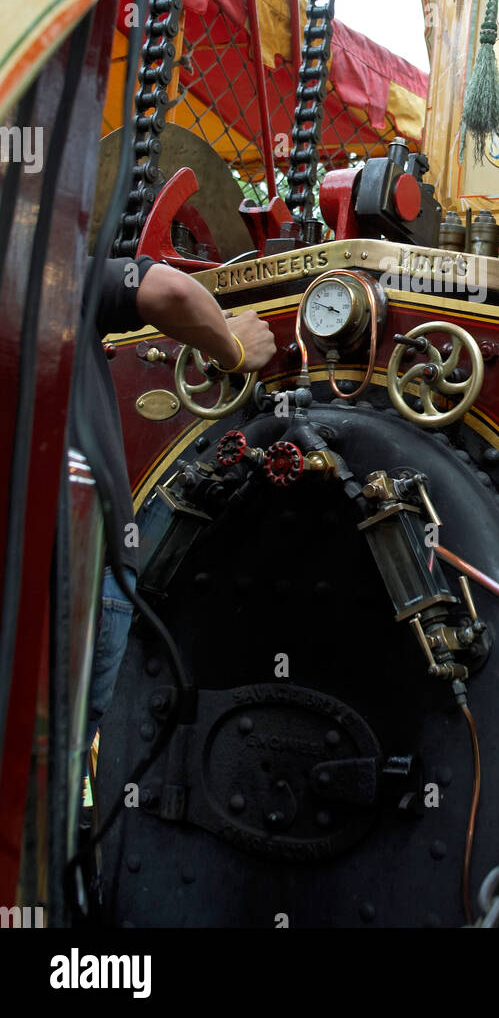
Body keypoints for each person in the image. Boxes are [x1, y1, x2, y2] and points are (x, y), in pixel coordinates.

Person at [75, 255, 277, 749]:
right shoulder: (48, 271)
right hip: (76, 576)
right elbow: (173, 292)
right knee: (52, 765)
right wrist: (231, 350)